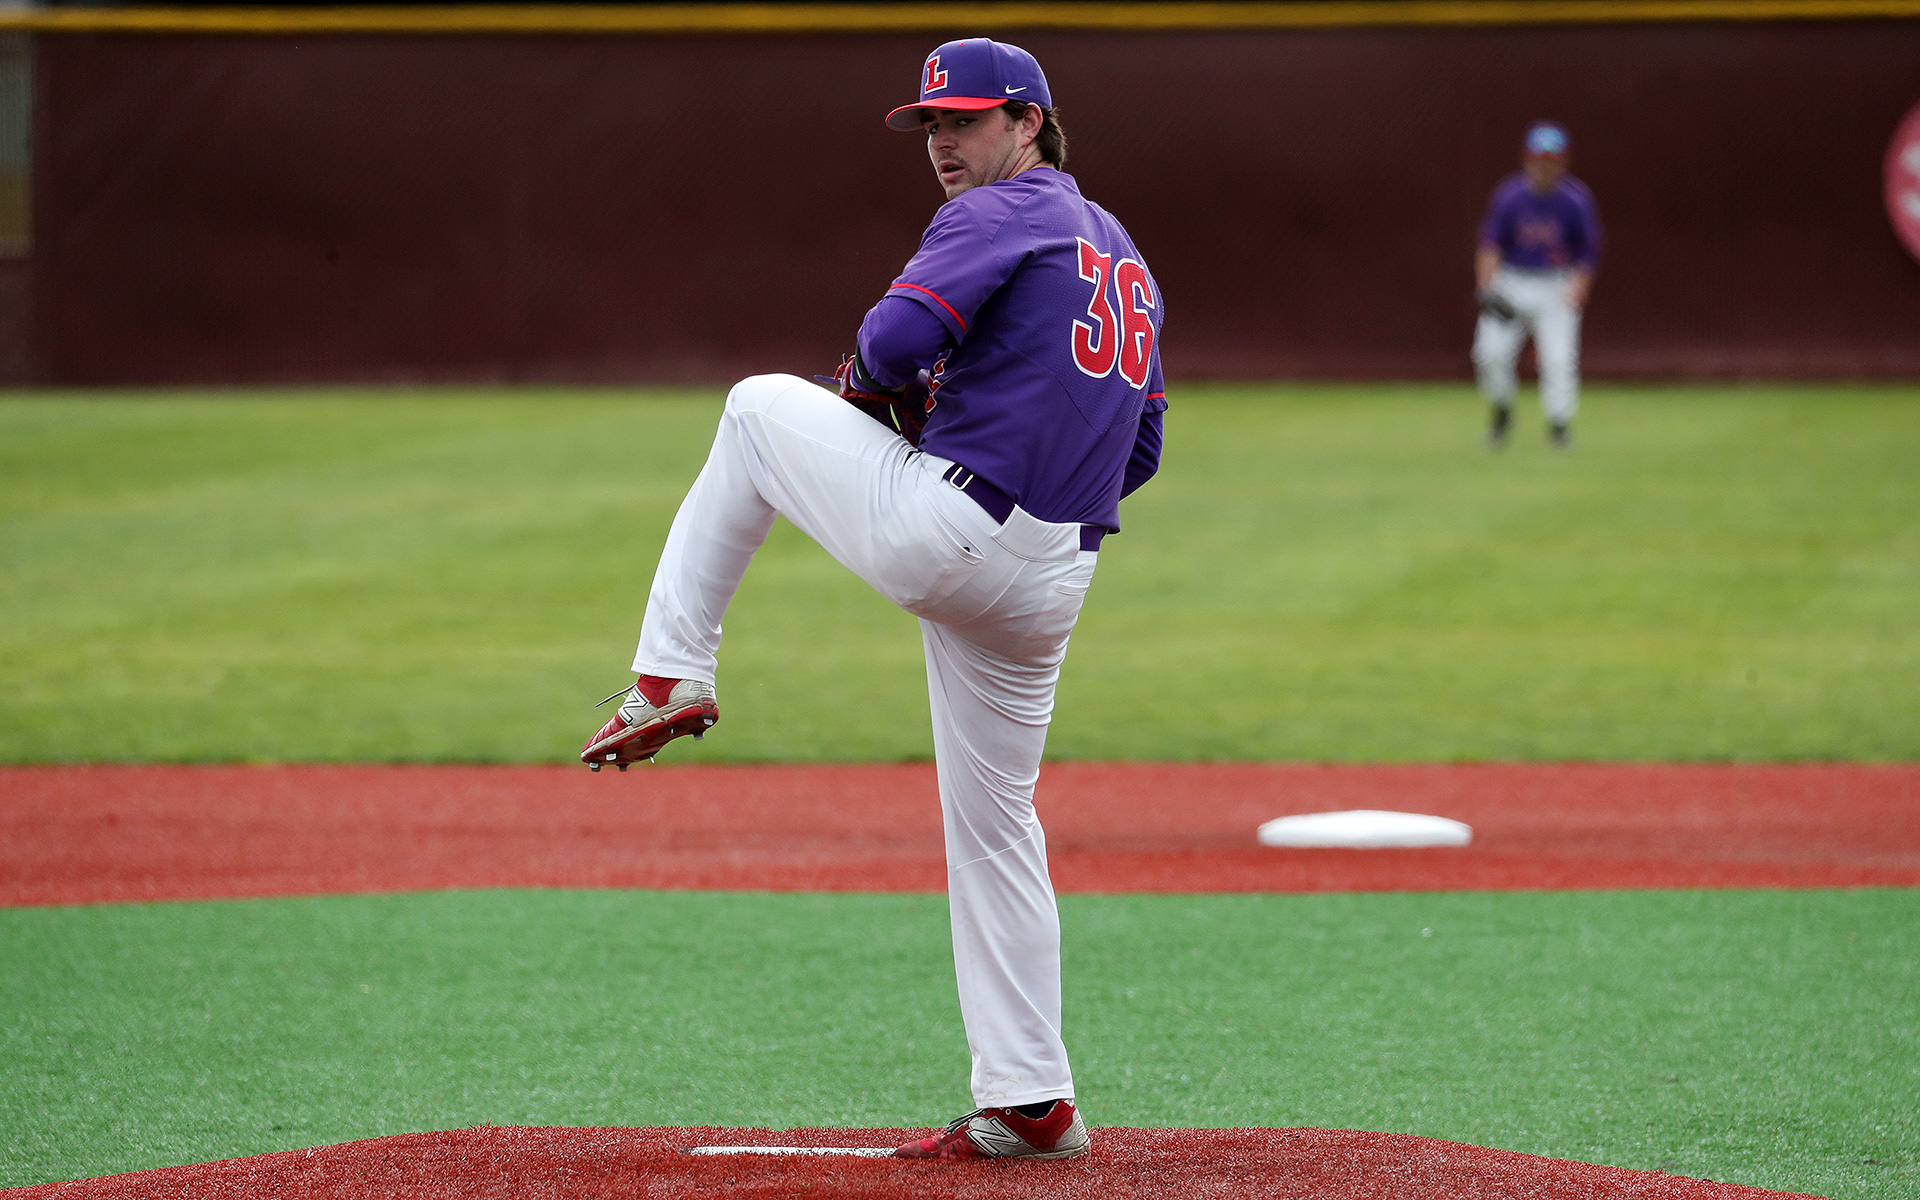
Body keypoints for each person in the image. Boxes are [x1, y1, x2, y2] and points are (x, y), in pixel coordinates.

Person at [580, 37, 1166, 1162]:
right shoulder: (1125, 253)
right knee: (997, 824)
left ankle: (670, 673)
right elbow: (1138, 447)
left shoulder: (1002, 213)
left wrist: (877, 397)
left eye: (968, 120)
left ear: (1030, 124)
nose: (945, 143)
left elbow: (889, 344)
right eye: (931, 124)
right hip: (1054, 574)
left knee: (755, 408)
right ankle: (1032, 1097)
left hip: (958, 527)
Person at [1472, 121, 1602, 449]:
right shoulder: (1510, 195)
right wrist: (1487, 288)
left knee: (1559, 359)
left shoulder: (1576, 200)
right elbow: (1490, 244)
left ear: (1563, 161)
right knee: (1490, 354)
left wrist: (1578, 288)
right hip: (1513, 280)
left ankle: (1559, 425)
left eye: (1552, 158)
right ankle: (1502, 409)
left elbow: (1588, 251)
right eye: (1539, 157)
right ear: (1527, 159)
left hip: (1555, 284)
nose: (1545, 164)